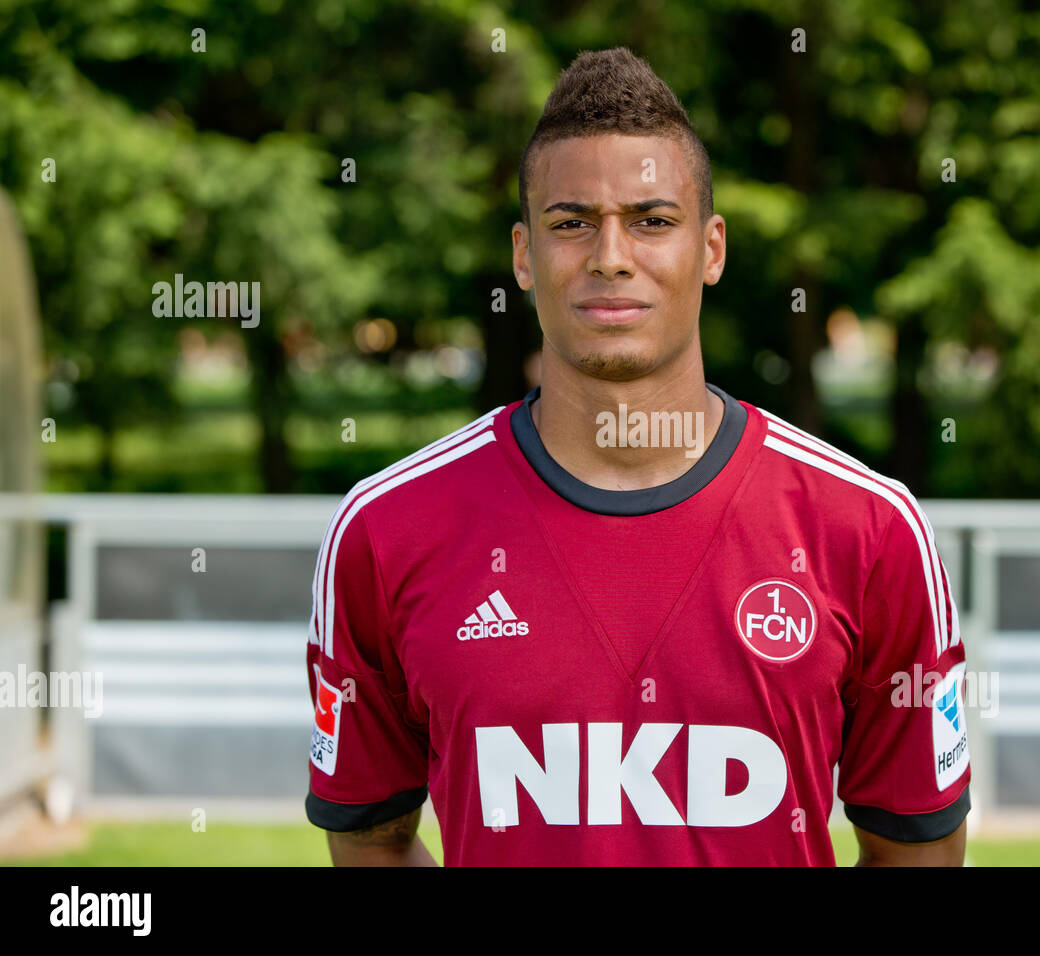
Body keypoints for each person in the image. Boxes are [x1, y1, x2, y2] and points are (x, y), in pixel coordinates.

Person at [305, 46, 970, 866]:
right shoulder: (388, 528)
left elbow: (917, 855)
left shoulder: (867, 529)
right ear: (522, 255)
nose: (610, 256)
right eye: (571, 222)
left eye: (652, 221)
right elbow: (369, 838)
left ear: (713, 248)